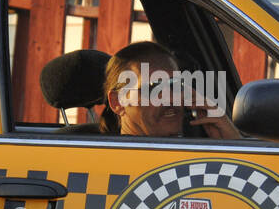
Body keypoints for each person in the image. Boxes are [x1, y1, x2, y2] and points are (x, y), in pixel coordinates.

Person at [99, 41, 240, 139]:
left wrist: (230, 140)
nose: (171, 97)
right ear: (117, 102)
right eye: (154, 88)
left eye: (176, 84)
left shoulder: (195, 155)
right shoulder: (106, 163)